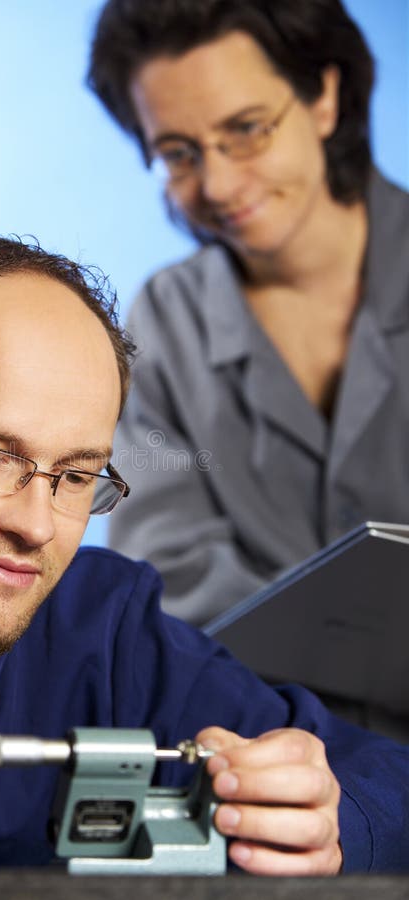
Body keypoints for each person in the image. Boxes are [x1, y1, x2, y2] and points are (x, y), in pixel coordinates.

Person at [0, 233, 408, 876]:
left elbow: (383, 778)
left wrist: (332, 821)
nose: (37, 527)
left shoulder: (99, 628)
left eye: (75, 476)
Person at [88, 0, 409, 638]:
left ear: (324, 97)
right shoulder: (165, 324)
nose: (220, 185)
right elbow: (170, 582)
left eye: (247, 129)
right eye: (179, 153)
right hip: (254, 702)